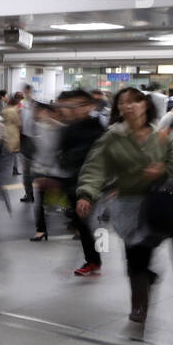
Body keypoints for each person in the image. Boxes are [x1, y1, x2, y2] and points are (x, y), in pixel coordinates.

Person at [76, 87, 173, 325]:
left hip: (157, 204)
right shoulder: (112, 136)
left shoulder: (161, 135)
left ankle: (146, 276)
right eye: (123, 103)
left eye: (134, 101)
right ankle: (139, 303)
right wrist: (86, 194)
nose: (129, 106)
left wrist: (164, 170)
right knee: (135, 253)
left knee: (144, 252)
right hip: (127, 204)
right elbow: (95, 168)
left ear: (145, 105)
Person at [57, 89, 107, 276]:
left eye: (79, 106)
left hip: (92, 185)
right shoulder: (68, 129)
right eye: (71, 106)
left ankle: (94, 259)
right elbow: (63, 156)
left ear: (90, 106)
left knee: (89, 223)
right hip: (73, 183)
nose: (73, 110)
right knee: (83, 224)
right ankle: (93, 260)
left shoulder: (98, 129)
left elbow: (100, 158)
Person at [28, 101, 68, 242]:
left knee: (66, 199)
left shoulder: (64, 130)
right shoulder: (38, 128)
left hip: (59, 171)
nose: (40, 115)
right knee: (39, 201)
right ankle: (40, 230)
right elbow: (36, 151)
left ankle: (76, 226)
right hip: (42, 170)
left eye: (44, 112)